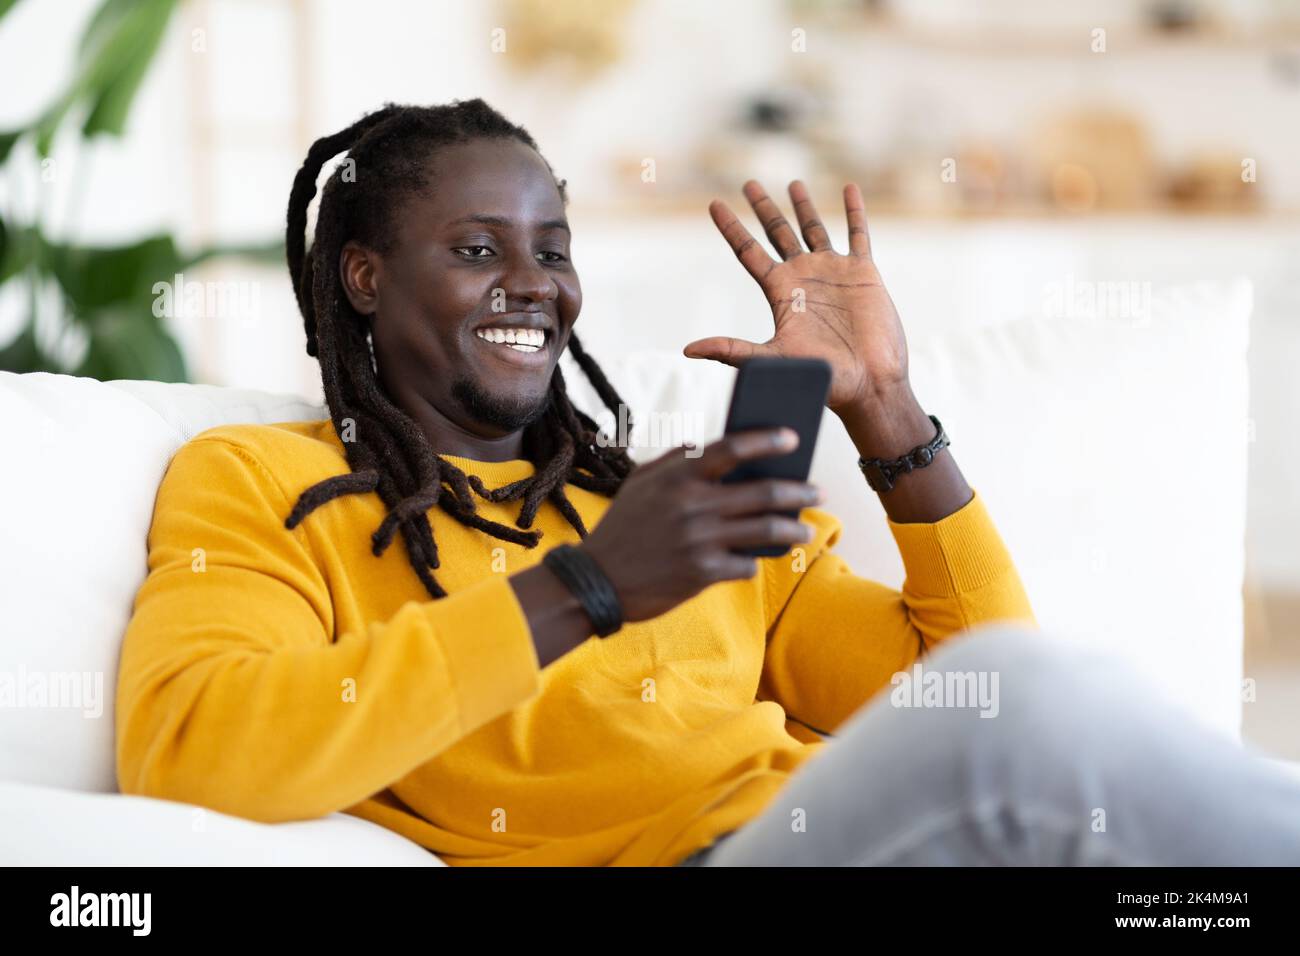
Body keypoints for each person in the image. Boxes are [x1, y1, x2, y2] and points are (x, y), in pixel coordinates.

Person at [114, 99, 1300, 866]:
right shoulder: (260, 481)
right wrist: (586, 585)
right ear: (362, 277)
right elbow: (191, 744)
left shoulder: (668, 502)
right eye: (478, 249)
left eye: (553, 250)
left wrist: (887, 411)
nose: (533, 284)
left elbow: (969, 701)